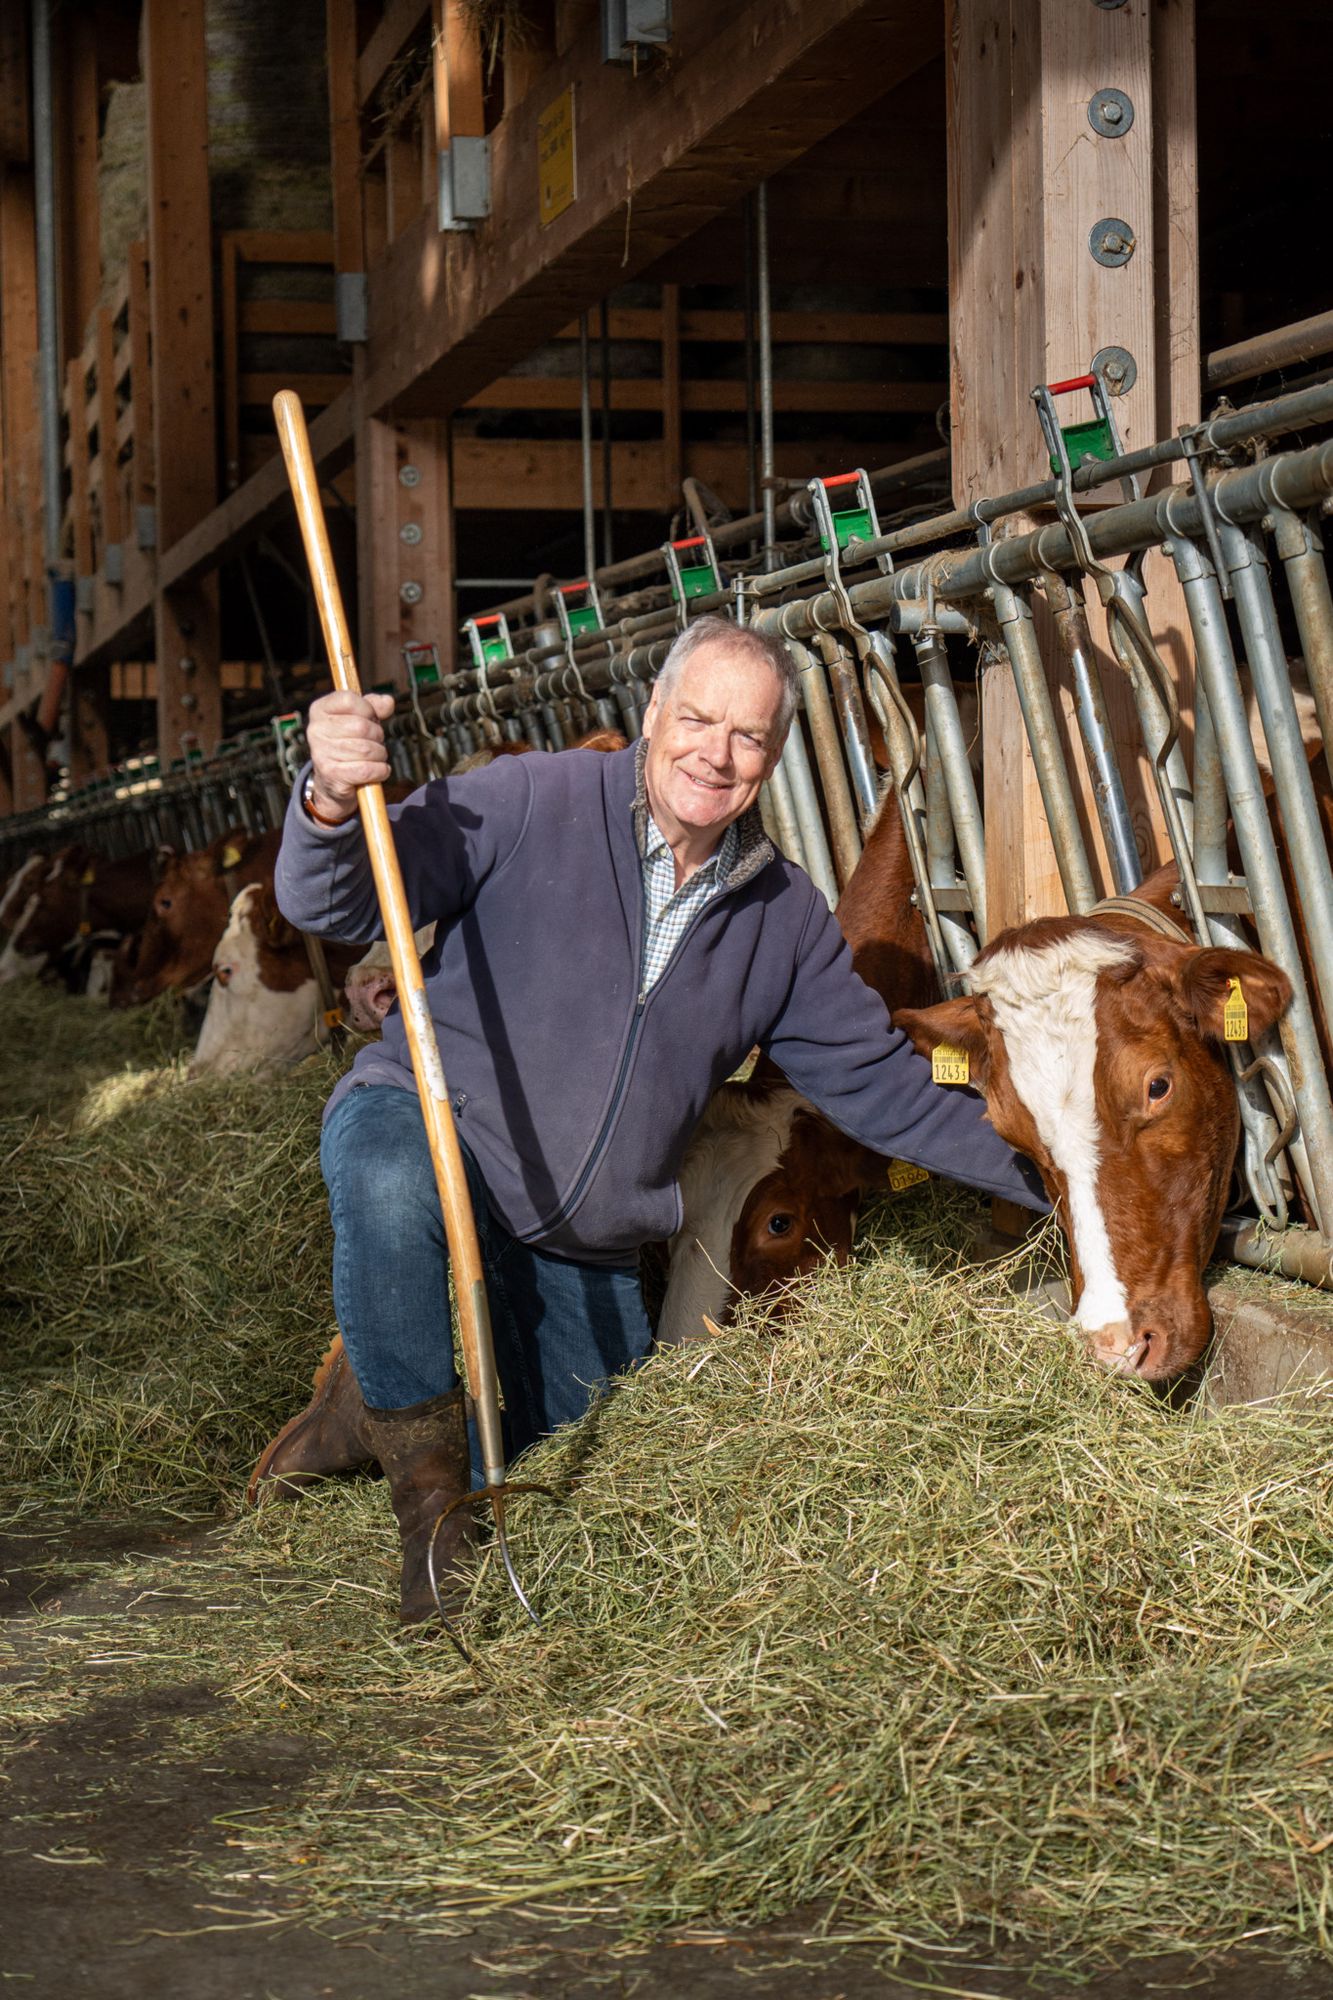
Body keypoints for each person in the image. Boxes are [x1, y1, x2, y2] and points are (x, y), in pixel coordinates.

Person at [269, 616, 1044, 1621]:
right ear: (650, 714)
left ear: (773, 757)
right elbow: (329, 896)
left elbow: (879, 1085)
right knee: (385, 1178)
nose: (715, 754)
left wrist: (1055, 1171)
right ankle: (428, 1510)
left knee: (581, 1467)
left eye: (749, 736)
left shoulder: (782, 918)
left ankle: (359, 1413)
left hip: (580, 1230)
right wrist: (329, 795)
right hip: (439, 1129)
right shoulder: (526, 801)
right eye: (697, 718)